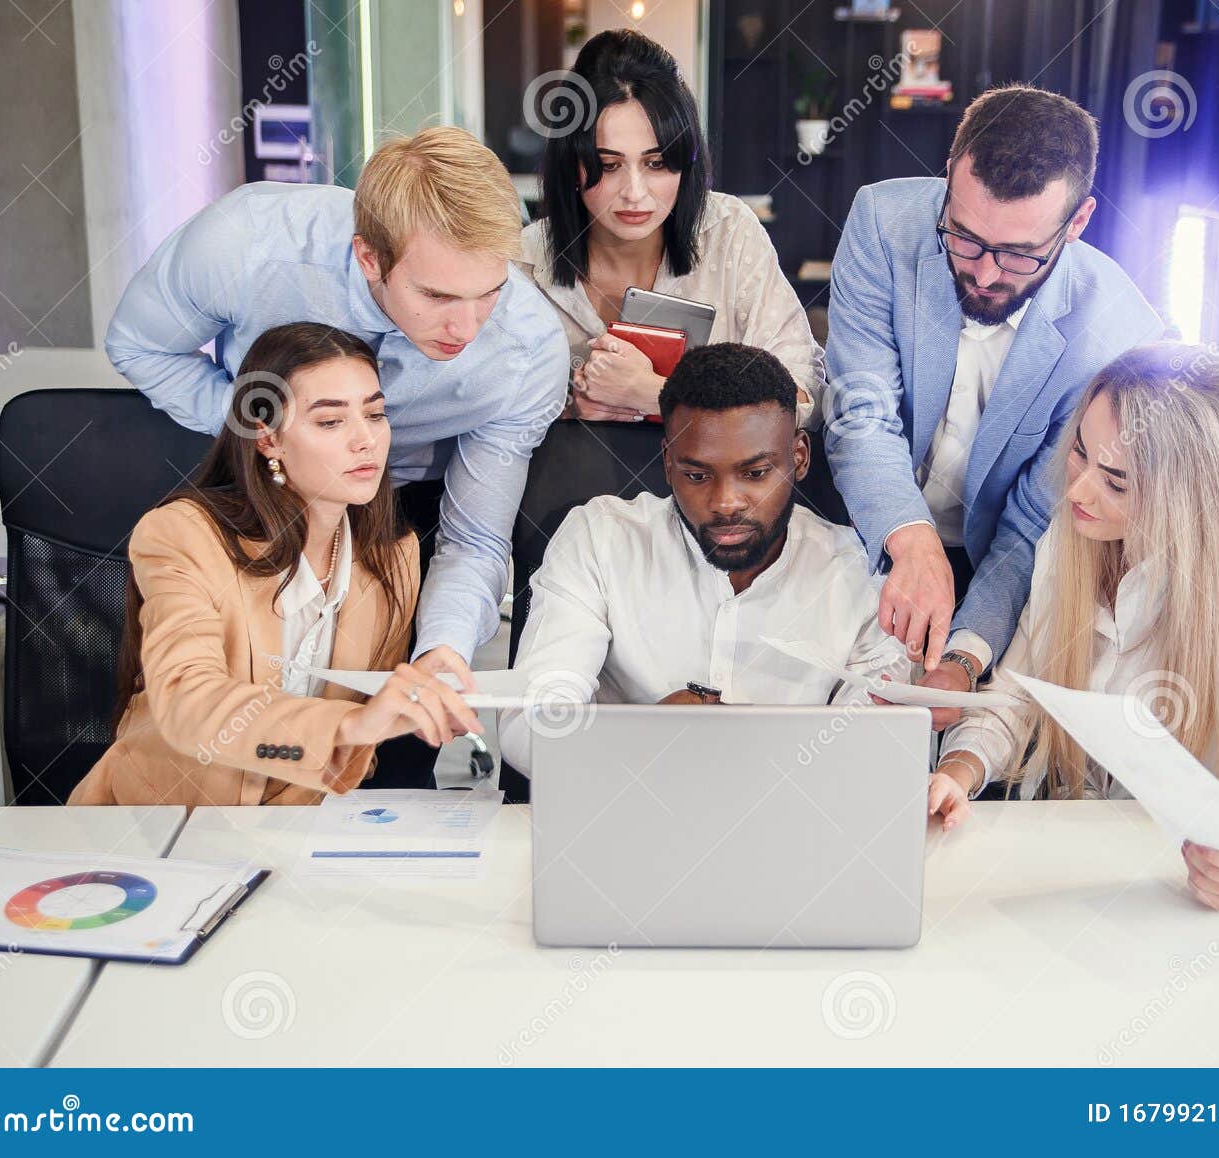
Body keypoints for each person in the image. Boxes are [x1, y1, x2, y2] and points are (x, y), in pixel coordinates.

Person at [926, 345, 1219, 910]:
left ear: (1191, 496)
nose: (1077, 491)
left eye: (1116, 481)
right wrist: (960, 769)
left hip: (1210, 901)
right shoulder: (1071, 542)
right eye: (1079, 451)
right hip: (1086, 876)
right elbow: (1017, 697)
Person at [103, 126, 567, 694]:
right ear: (369, 258)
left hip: (403, 515)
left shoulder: (528, 350)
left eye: (490, 292)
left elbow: (474, 539)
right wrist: (272, 428)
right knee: (224, 718)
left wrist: (441, 651)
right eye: (437, 297)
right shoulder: (245, 244)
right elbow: (140, 345)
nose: (466, 329)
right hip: (254, 490)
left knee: (386, 748)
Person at [824, 83, 1165, 717]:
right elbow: (860, 413)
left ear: (1078, 222)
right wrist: (912, 539)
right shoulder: (882, 222)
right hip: (870, 525)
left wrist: (964, 657)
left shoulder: (1115, 332)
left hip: (1008, 567)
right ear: (950, 178)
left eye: (1018, 254)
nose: (983, 273)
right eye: (965, 236)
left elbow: (1035, 521)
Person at [70, 323, 482, 808]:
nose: (365, 440)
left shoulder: (393, 556)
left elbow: (358, 747)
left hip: (296, 839)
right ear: (267, 439)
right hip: (162, 830)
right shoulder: (183, 535)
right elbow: (187, 702)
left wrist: (398, 715)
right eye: (330, 422)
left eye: (374, 414)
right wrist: (349, 726)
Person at [499, 343, 908, 774]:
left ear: (799, 458)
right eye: (697, 475)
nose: (726, 502)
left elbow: (878, 745)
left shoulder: (859, 570)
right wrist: (646, 739)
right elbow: (530, 724)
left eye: (755, 474)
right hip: (623, 821)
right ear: (668, 463)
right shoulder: (599, 540)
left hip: (794, 825)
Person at [519, 29, 823, 426]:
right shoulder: (523, 260)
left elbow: (802, 397)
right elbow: (489, 420)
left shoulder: (728, 233)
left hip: (708, 487)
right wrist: (571, 409)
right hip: (573, 484)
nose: (634, 193)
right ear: (571, 166)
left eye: (657, 163)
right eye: (608, 166)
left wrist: (655, 394)